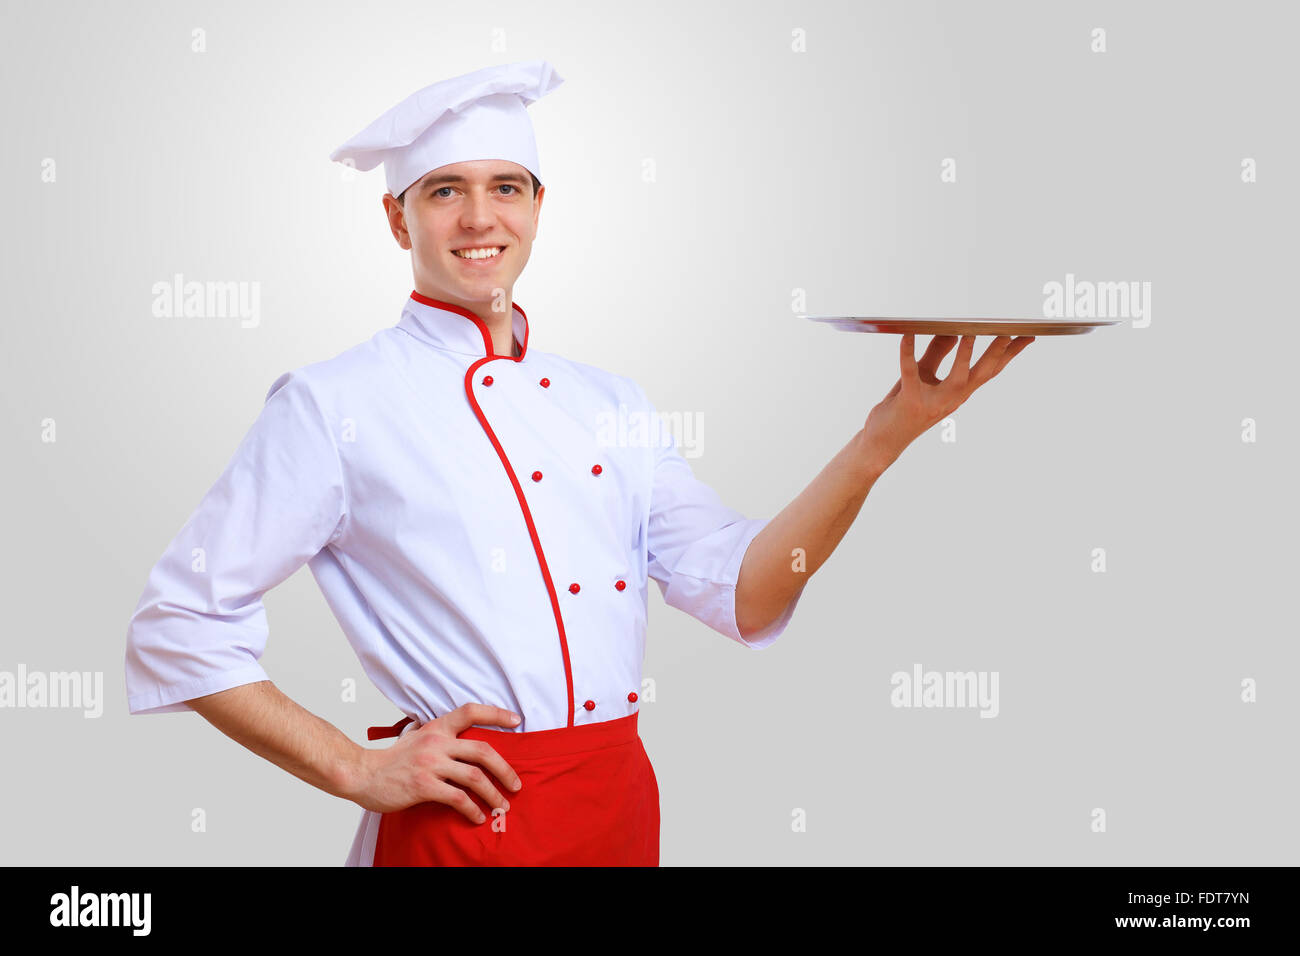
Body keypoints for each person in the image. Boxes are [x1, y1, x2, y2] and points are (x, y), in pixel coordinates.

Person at [124, 59, 1034, 866]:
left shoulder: (611, 403)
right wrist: (355, 767)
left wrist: (885, 438)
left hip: (620, 802)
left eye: (506, 187)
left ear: (538, 206)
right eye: (444, 191)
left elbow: (744, 591)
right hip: (470, 819)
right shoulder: (333, 405)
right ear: (397, 219)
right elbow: (179, 620)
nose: (480, 218)